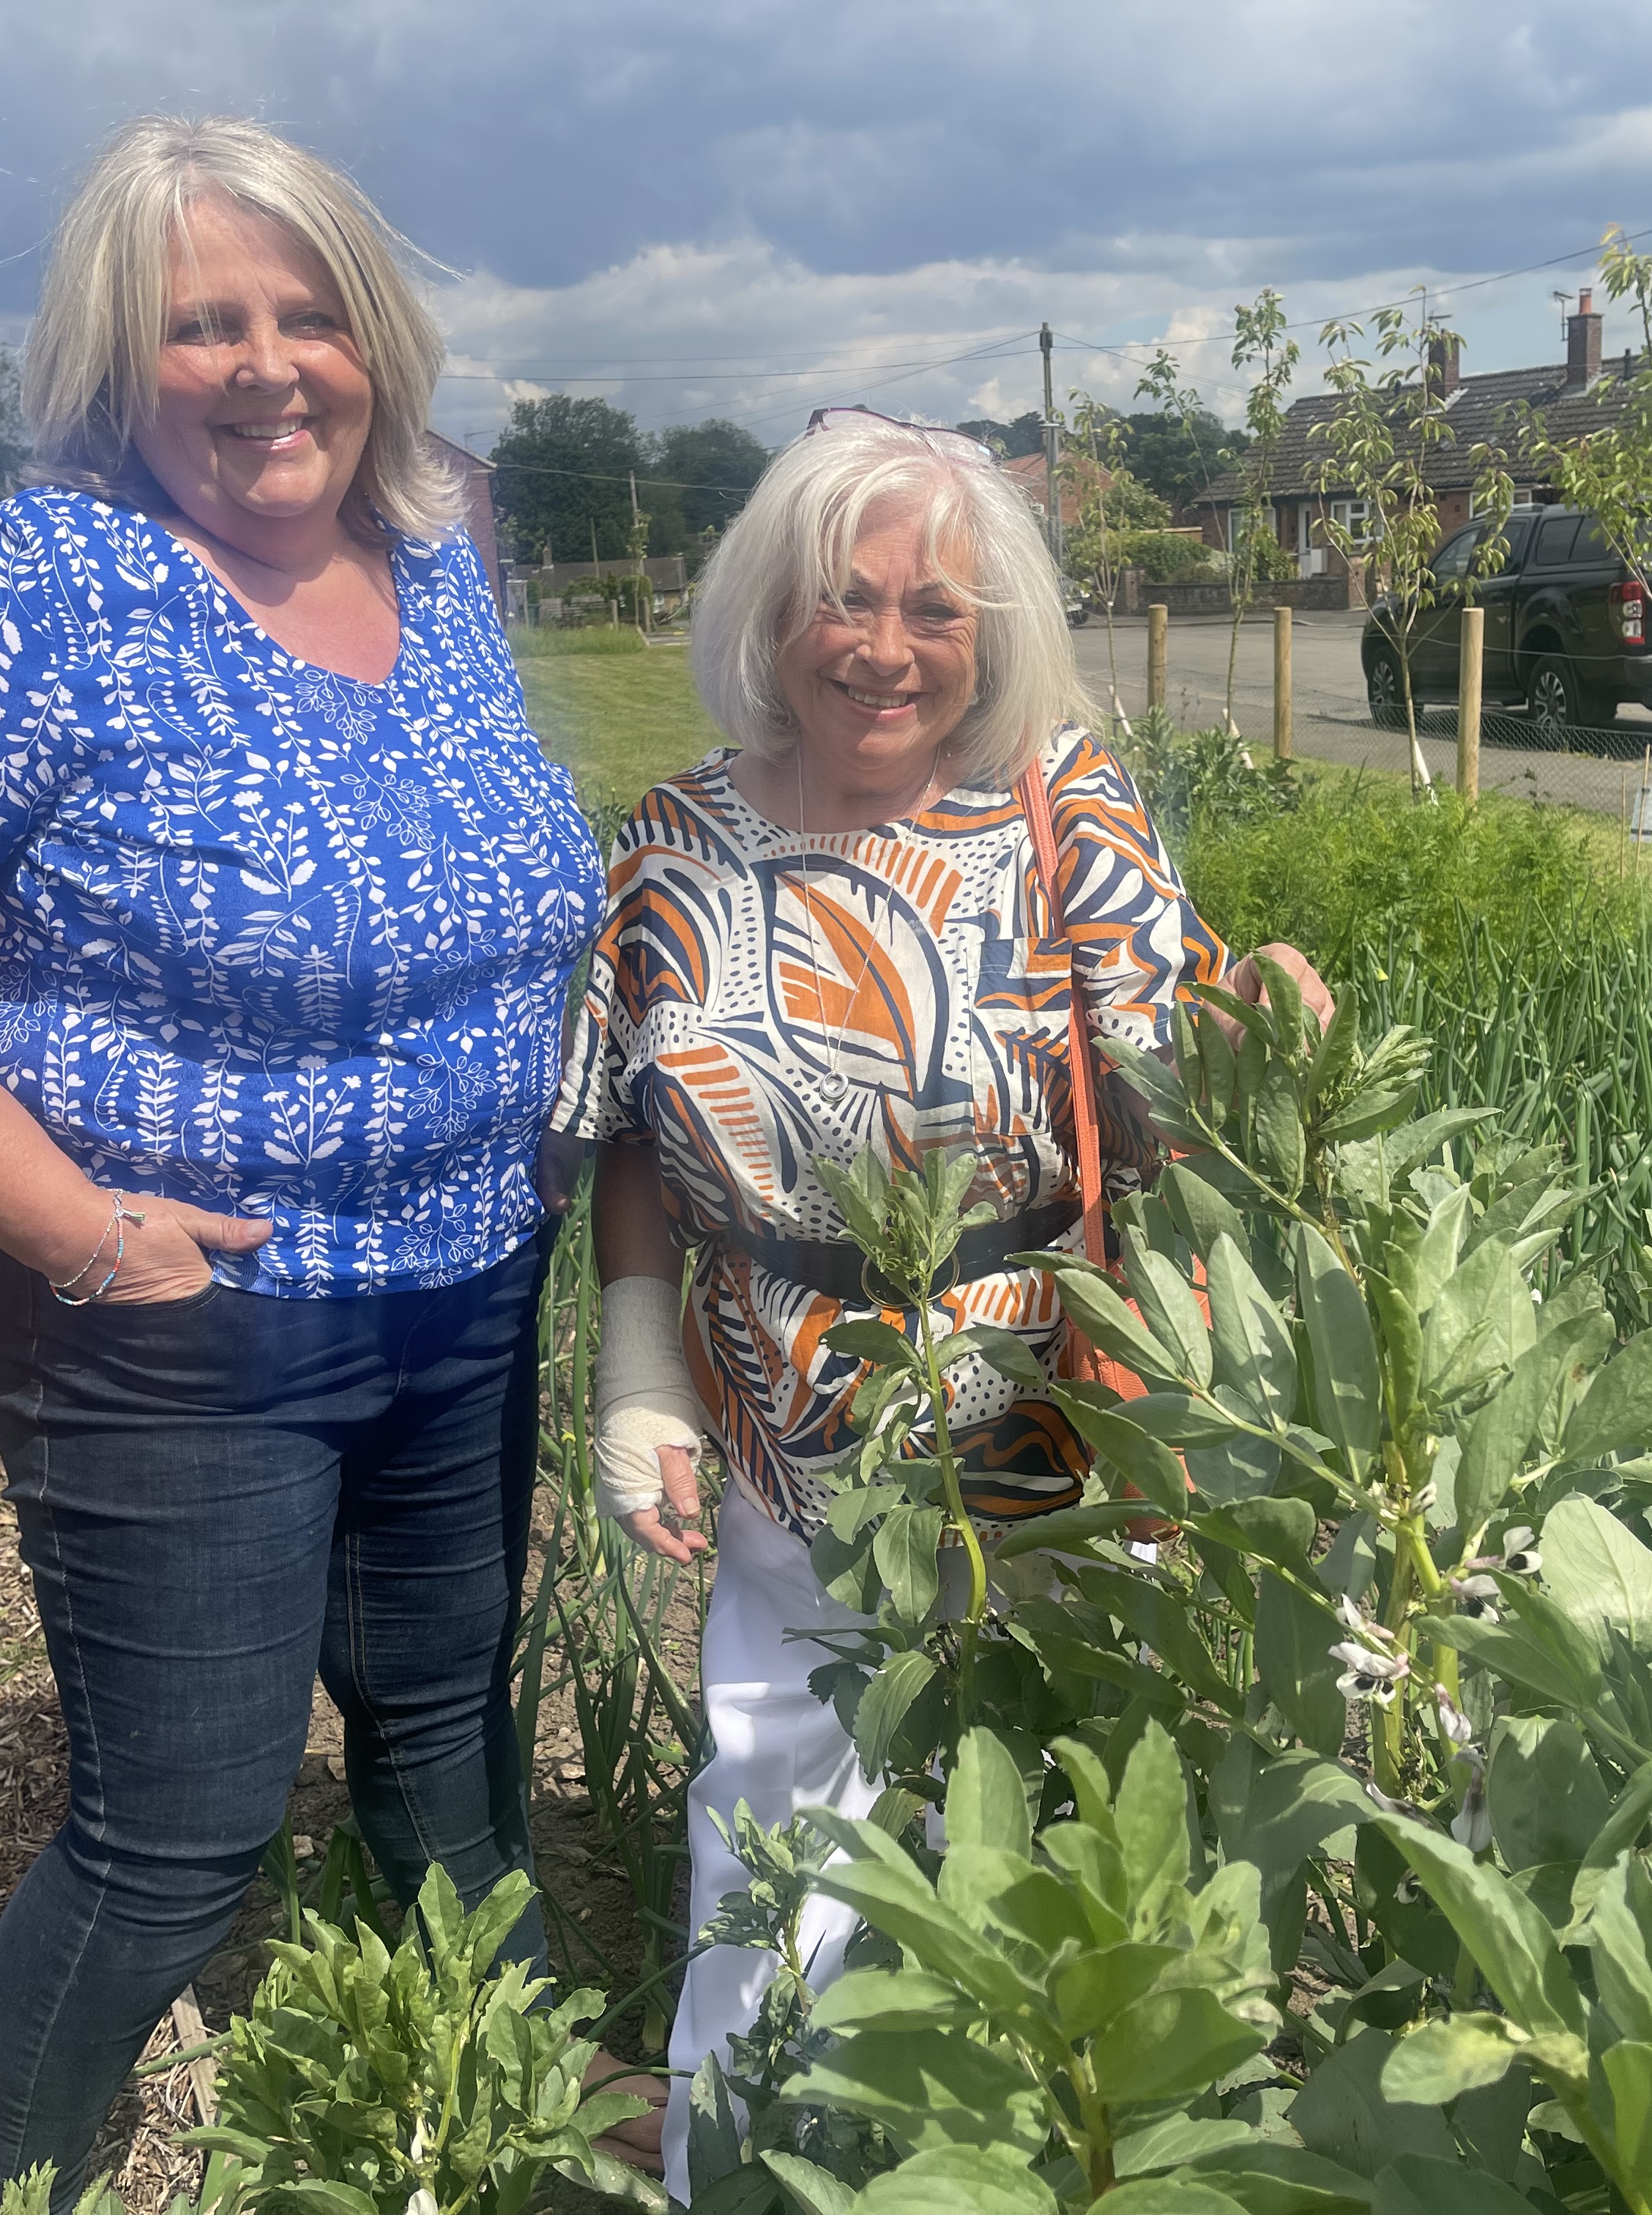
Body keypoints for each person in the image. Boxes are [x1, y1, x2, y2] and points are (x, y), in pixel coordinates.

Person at [0, 114, 604, 2211]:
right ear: (118, 364)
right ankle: (12, 2184)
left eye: (310, 317)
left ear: (378, 343)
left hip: (466, 1287)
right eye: (203, 326)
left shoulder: (436, 558)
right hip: (176, 1331)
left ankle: (514, 2128)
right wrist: (81, 1231)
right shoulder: (33, 588)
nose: (267, 366)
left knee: (445, 1750)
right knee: (182, 1828)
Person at [548, 409, 1328, 2200]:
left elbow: (1179, 1060)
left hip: (1046, 1409)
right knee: (773, 1796)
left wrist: (1266, 1016)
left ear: (990, 639)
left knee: (1064, 1776)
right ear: (774, 606)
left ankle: (1074, 2142)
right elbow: (638, 1141)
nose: (884, 648)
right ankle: (750, 2157)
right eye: (846, 597)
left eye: (936, 612)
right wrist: (642, 1366)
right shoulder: (672, 843)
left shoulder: (1062, 810)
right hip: (782, 1413)